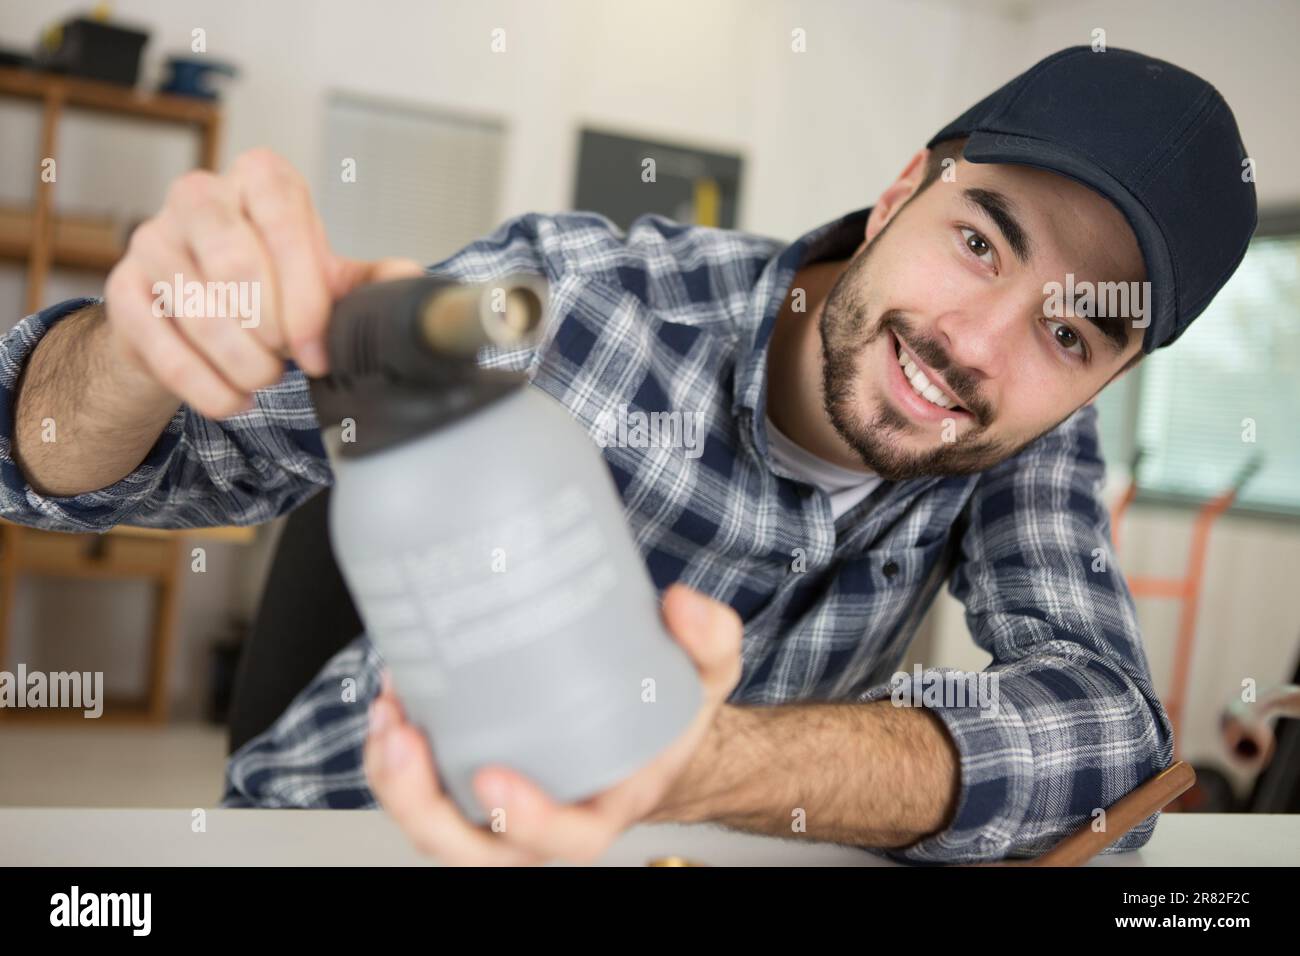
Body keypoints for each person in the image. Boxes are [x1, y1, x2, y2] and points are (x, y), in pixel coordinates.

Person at [0, 46, 1256, 864]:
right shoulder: (574, 298)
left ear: (1102, 377)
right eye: (982, 240)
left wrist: (713, 763)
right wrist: (134, 348)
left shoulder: (1020, 436)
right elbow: (73, 467)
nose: (976, 345)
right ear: (898, 195)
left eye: (1072, 328)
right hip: (352, 830)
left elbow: (1109, 746)